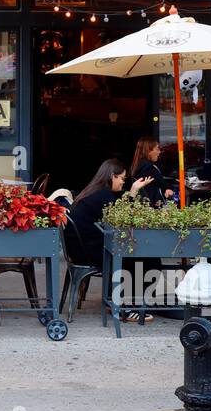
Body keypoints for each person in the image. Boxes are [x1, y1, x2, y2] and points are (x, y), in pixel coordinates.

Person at [67, 158, 155, 323]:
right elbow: (120, 217)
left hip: (80, 247)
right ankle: (123, 307)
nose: (123, 182)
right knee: (134, 258)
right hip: (86, 251)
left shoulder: (96, 191)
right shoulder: (103, 195)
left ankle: (117, 300)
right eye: (122, 178)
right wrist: (133, 192)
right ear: (112, 176)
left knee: (132, 254)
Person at [129, 136, 175, 204]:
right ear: (149, 151)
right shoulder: (149, 168)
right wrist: (170, 187)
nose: (159, 152)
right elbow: (163, 183)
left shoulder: (136, 165)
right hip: (152, 206)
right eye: (157, 149)